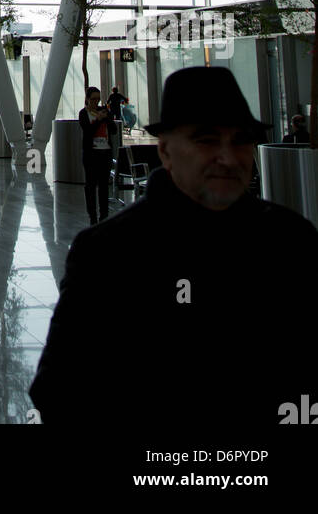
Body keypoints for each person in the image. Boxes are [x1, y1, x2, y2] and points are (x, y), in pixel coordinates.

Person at [30, 67, 318, 427]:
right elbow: (60, 393)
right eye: (207, 140)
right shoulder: (108, 255)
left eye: (242, 140)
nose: (228, 158)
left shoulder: (292, 241)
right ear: (165, 151)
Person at [79, 86, 114, 225]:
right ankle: (92, 216)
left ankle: (104, 215)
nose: (96, 102)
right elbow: (88, 132)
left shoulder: (103, 111)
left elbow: (113, 130)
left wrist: (106, 118)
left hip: (105, 152)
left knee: (104, 186)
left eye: (98, 99)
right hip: (91, 154)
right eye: (93, 99)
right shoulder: (83, 114)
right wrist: (98, 120)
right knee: (91, 185)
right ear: (87, 99)